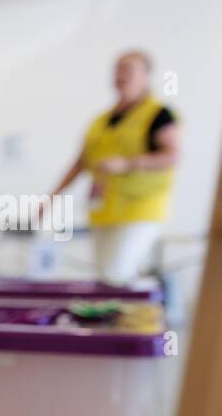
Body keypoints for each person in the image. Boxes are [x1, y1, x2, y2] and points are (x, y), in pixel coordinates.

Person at [48, 50, 180, 284]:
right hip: (104, 209)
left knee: (118, 272)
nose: (121, 75)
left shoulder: (158, 114)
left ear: (146, 76)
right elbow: (80, 163)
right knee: (105, 278)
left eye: (129, 69)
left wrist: (128, 163)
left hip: (141, 207)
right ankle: (122, 315)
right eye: (118, 69)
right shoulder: (100, 121)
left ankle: (146, 312)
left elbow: (172, 155)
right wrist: (50, 200)